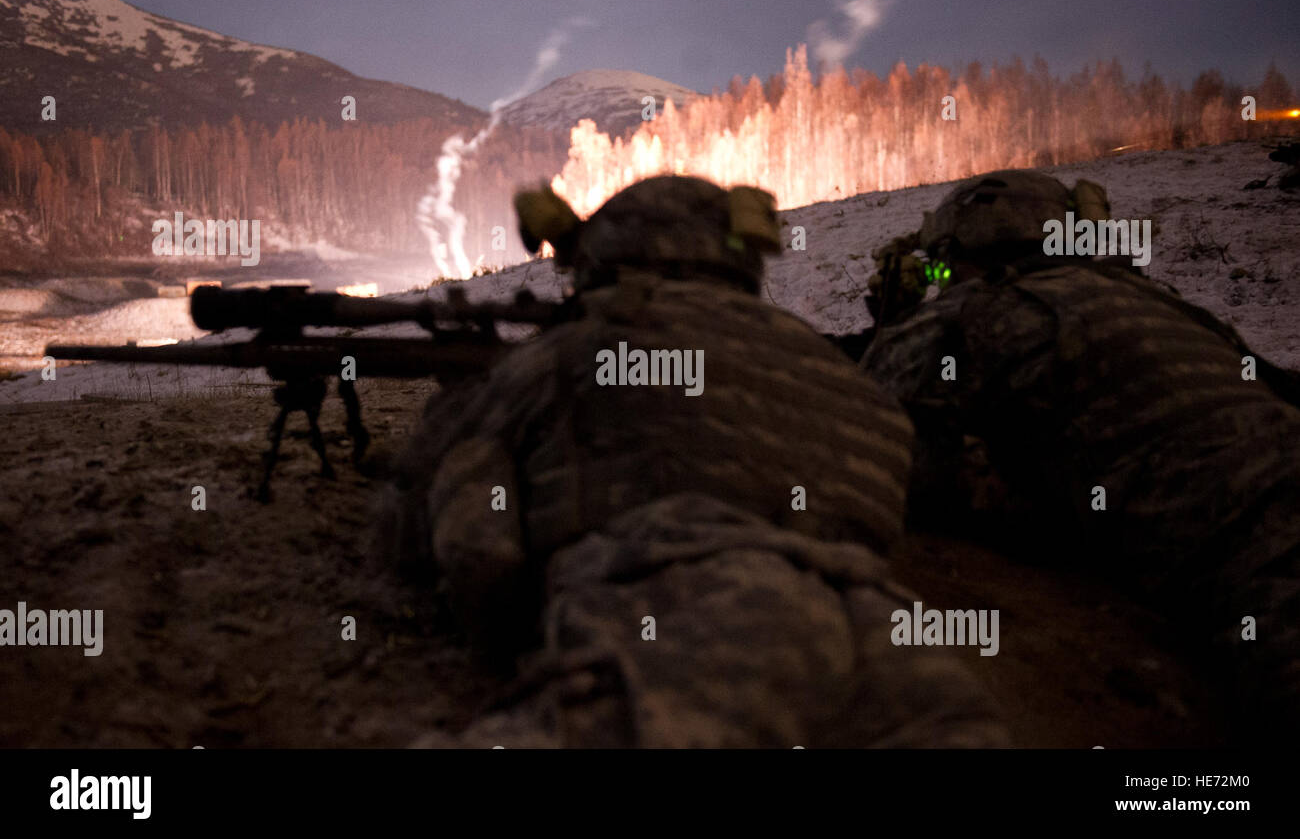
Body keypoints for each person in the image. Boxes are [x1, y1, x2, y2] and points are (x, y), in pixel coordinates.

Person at [384, 175, 1009, 747]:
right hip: (893, 646)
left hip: (678, 636)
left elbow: (440, 543)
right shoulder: (848, 378)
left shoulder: (565, 356)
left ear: (599, 259)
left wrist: (461, 417)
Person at [862, 169, 1300, 741]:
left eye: (943, 267)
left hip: (1248, 556)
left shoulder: (980, 309)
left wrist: (896, 322)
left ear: (957, 250)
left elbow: (871, 429)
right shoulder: (1165, 305)